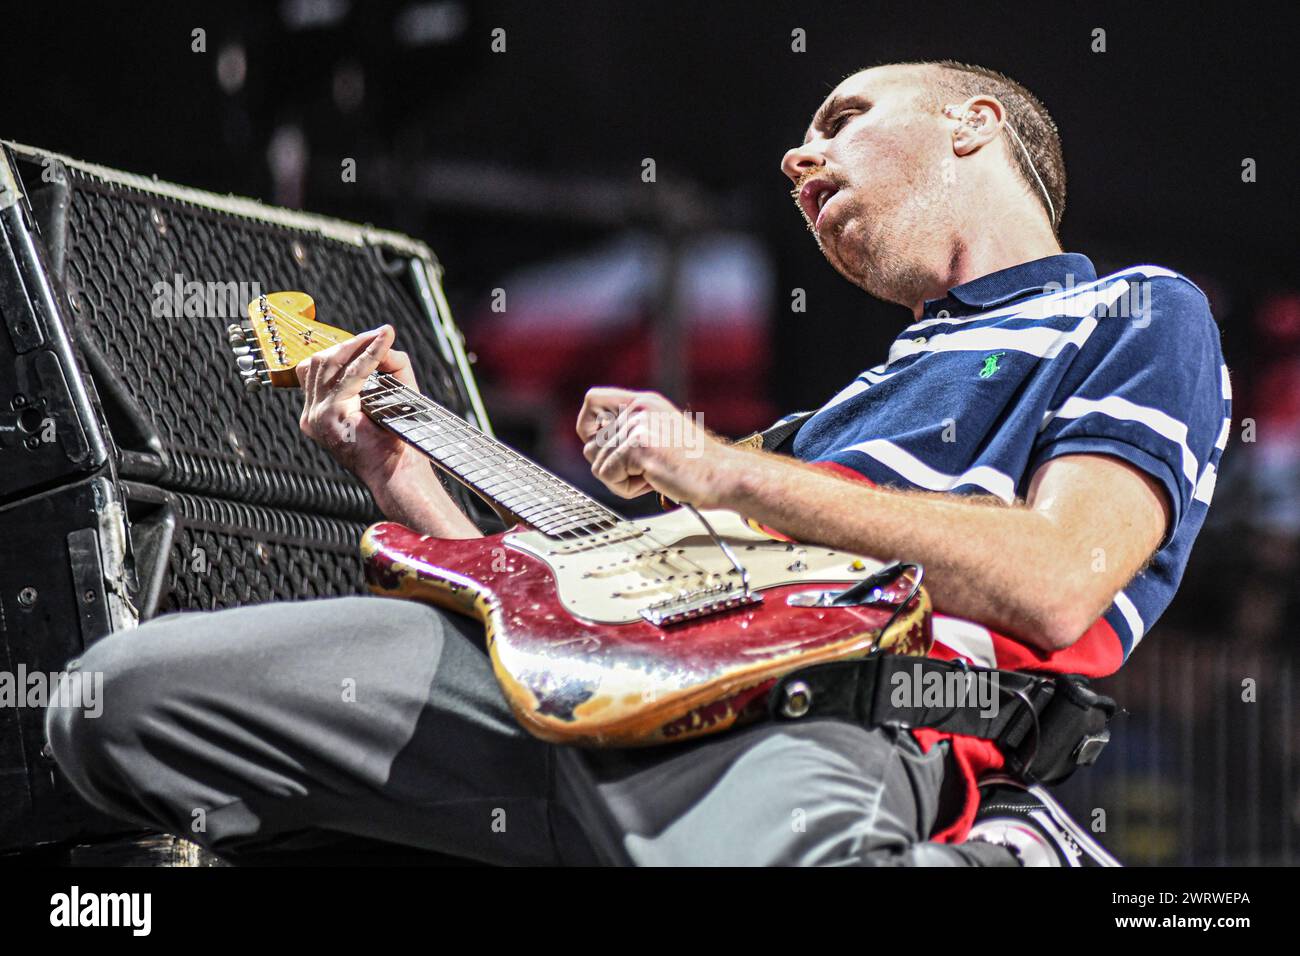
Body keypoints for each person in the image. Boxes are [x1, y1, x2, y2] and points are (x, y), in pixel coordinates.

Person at [45, 60, 1231, 866]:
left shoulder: (1132, 311)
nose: (796, 157)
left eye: (840, 120)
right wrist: (391, 453)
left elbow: (1059, 579)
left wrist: (722, 473)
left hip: (816, 713)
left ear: (970, 121)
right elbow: (567, 593)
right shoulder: (829, 423)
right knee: (118, 702)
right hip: (585, 698)